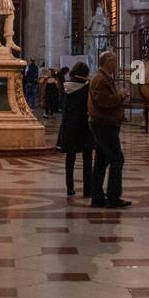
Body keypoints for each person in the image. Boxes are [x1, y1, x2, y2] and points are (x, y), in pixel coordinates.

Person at [88, 50, 131, 209]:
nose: (116, 64)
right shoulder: (100, 79)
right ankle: (113, 197)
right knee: (117, 159)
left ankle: (97, 197)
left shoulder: (104, 78)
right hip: (103, 124)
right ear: (107, 62)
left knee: (101, 161)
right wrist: (120, 96)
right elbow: (104, 101)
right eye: (114, 60)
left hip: (105, 123)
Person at [58, 61, 93, 200]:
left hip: (68, 126)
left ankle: (70, 188)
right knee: (87, 158)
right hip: (84, 125)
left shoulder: (66, 87)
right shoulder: (86, 87)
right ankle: (87, 189)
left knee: (70, 159)